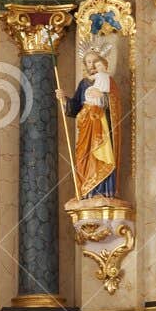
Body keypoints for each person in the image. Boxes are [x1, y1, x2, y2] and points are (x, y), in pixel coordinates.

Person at [57, 49, 120, 199]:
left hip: (101, 124)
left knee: (101, 153)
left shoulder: (108, 80)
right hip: (85, 123)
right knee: (83, 155)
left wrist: (103, 97)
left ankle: (103, 191)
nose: (91, 65)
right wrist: (64, 99)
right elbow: (76, 105)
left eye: (94, 61)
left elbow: (115, 103)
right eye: (88, 62)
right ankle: (87, 189)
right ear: (85, 65)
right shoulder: (84, 83)